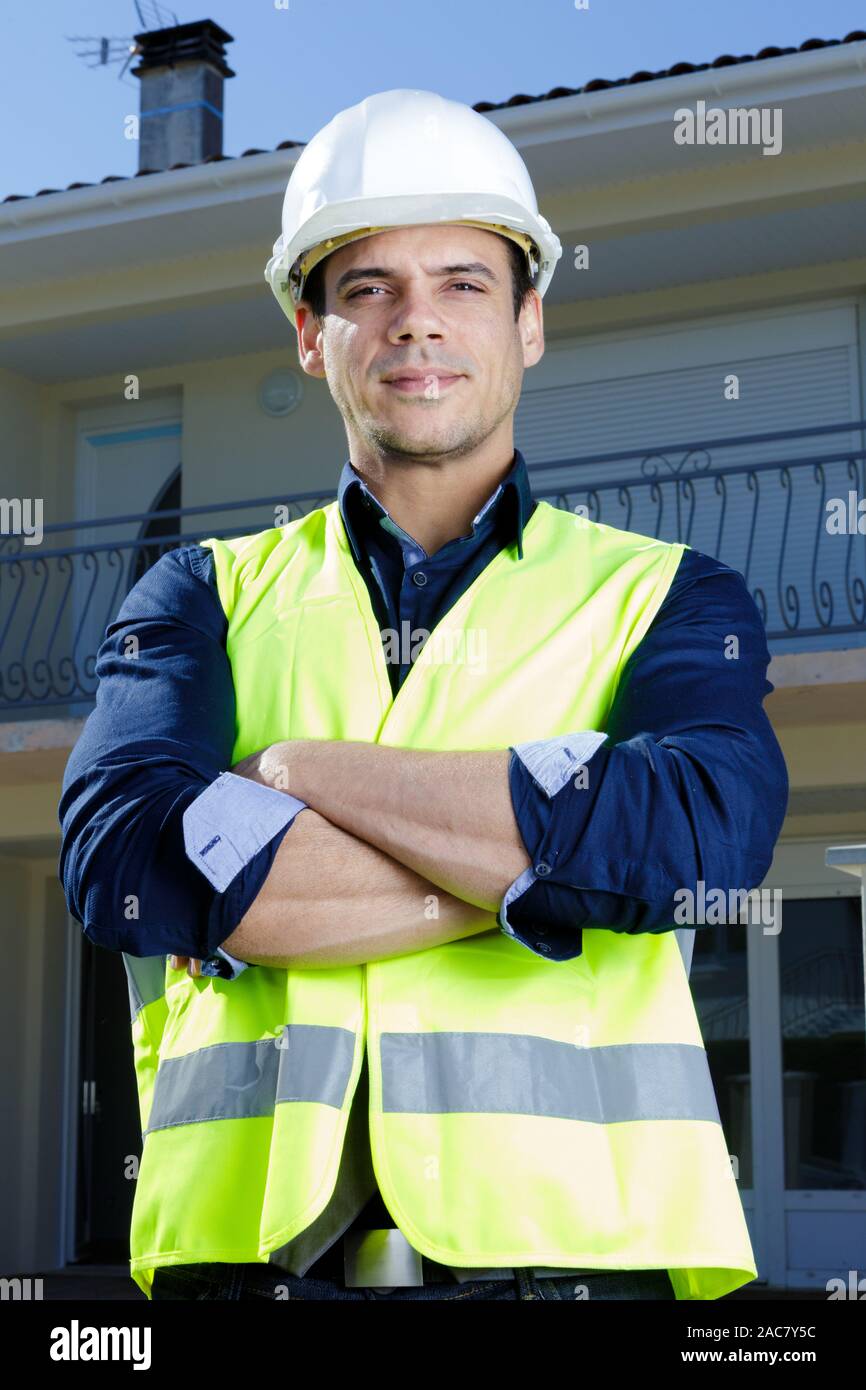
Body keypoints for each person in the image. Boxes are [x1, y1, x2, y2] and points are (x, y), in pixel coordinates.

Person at [58, 88, 788, 1303]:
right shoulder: (199, 592)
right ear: (310, 335)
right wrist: (553, 869)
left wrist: (295, 775)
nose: (415, 325)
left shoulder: (665, 593)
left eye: (461, 283)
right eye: (366, 289)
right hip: (245, 1263)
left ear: (529, 322)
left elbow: (696, 833)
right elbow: (126, 860)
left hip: (578, 1261)